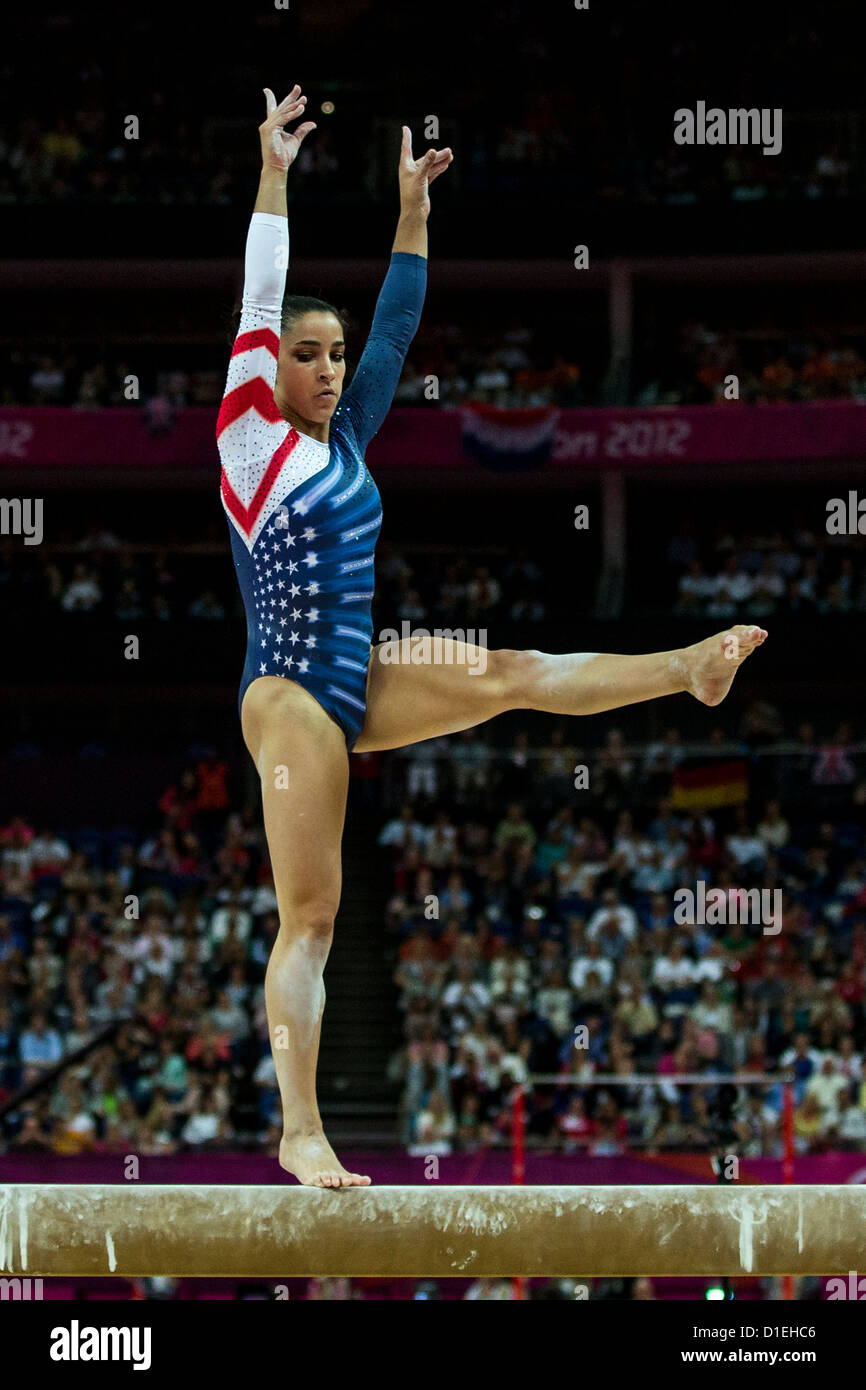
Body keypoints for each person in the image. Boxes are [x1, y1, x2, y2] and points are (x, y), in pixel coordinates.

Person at [218, 82, 768, 1187]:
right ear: (273, 365)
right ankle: (299, 1128)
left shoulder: (350, 441)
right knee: (313, 916)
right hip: (284, 690)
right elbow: (261, 292)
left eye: (333, 356)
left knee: (510, 670)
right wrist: (274, 169)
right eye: (308, 354)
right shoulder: (247, 436)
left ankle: (686, 670)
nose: (328, 368)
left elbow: (399, 327)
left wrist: (411, 206)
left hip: (354, 677)